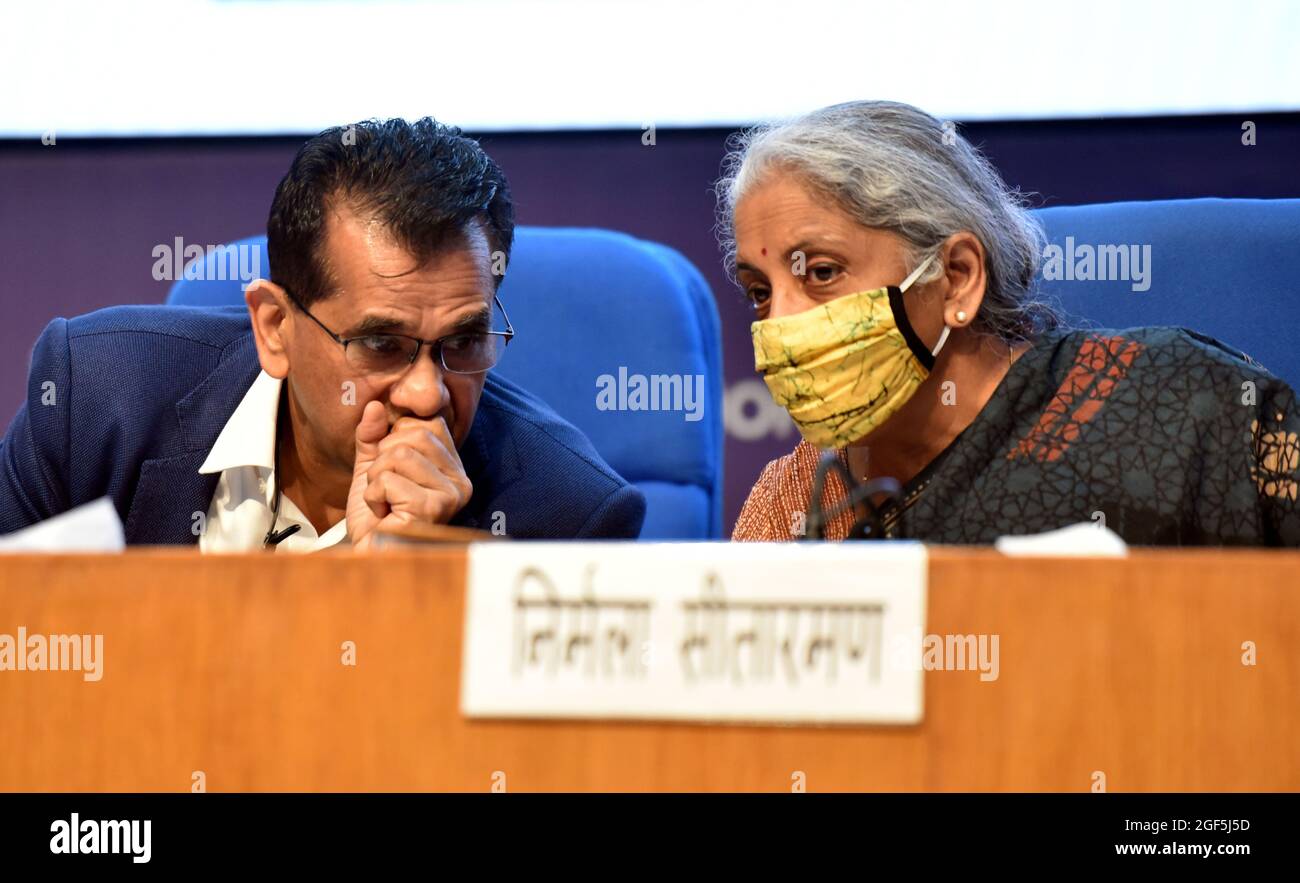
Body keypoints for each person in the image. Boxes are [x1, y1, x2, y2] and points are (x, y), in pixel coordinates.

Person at [0, 118, 645, 547]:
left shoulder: (565, 518)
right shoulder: (91, 402)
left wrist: (413, 592)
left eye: (463, 343)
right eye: (381, 345)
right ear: (275, 328)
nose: (427, 396)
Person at [718, 100, 1299, 545]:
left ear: (959, 277)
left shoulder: (1177, 404)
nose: (781, 322)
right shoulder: (789, 505)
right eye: (759, 292)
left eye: (821, 272)